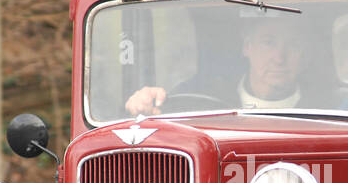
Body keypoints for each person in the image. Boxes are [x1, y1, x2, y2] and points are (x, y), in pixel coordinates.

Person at [125, 17, 320, 116]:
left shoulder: (326, 107)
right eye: (268, 43)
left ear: (306, 55)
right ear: (247, 47)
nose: (279, 58)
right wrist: (144, 101)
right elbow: (164, 110)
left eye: (293, 45)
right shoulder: (202, 94)